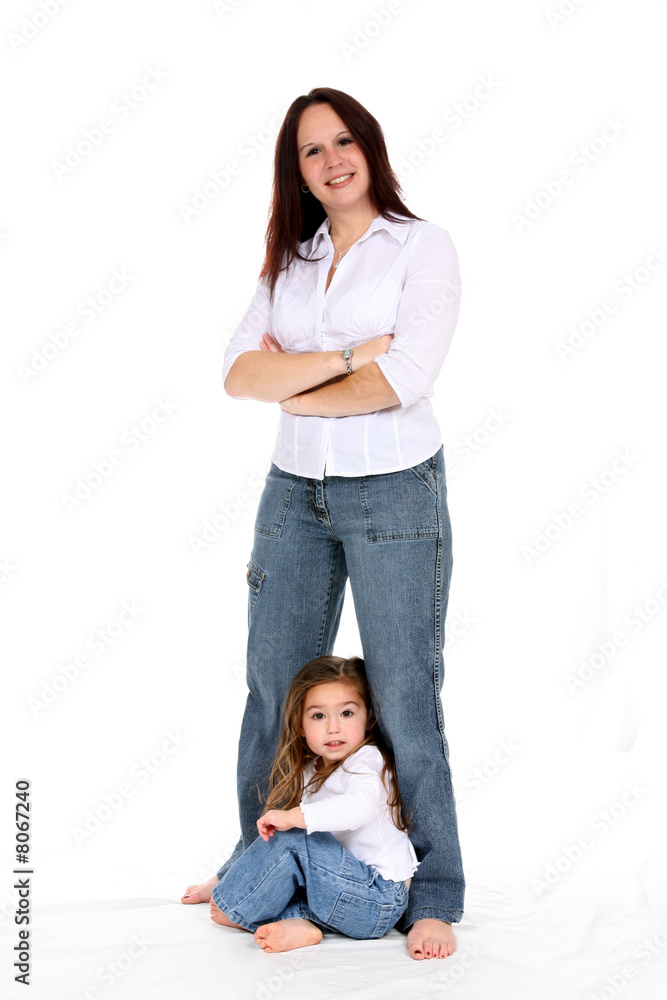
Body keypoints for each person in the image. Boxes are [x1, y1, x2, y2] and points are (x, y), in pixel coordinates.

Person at [182, 86, 465, 961]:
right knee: (271, 687)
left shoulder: (422, 248)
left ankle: (433, 893)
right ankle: (253, 868)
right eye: (311, 150)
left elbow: (404, 379)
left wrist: (296, 380)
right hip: (292, 494)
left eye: (344, 141)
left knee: (406, 700)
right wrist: (348, 354)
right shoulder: (290, 260)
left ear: (370, 148)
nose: (331, 160)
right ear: (295, 170)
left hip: (395, 494)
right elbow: (236, 375)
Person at [208, 655, 422, 953]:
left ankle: (235, 904)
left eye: (347, 713)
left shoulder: (367, 761)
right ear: (300, 726)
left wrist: (295, 817)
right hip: (342, 894)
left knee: (295, 838)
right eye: (319, 716)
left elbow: (356, 807)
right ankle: (304, 924)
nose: (333, 728)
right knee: (291, 843)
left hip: (378, 899)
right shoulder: (314, 768)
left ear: (368, 718)